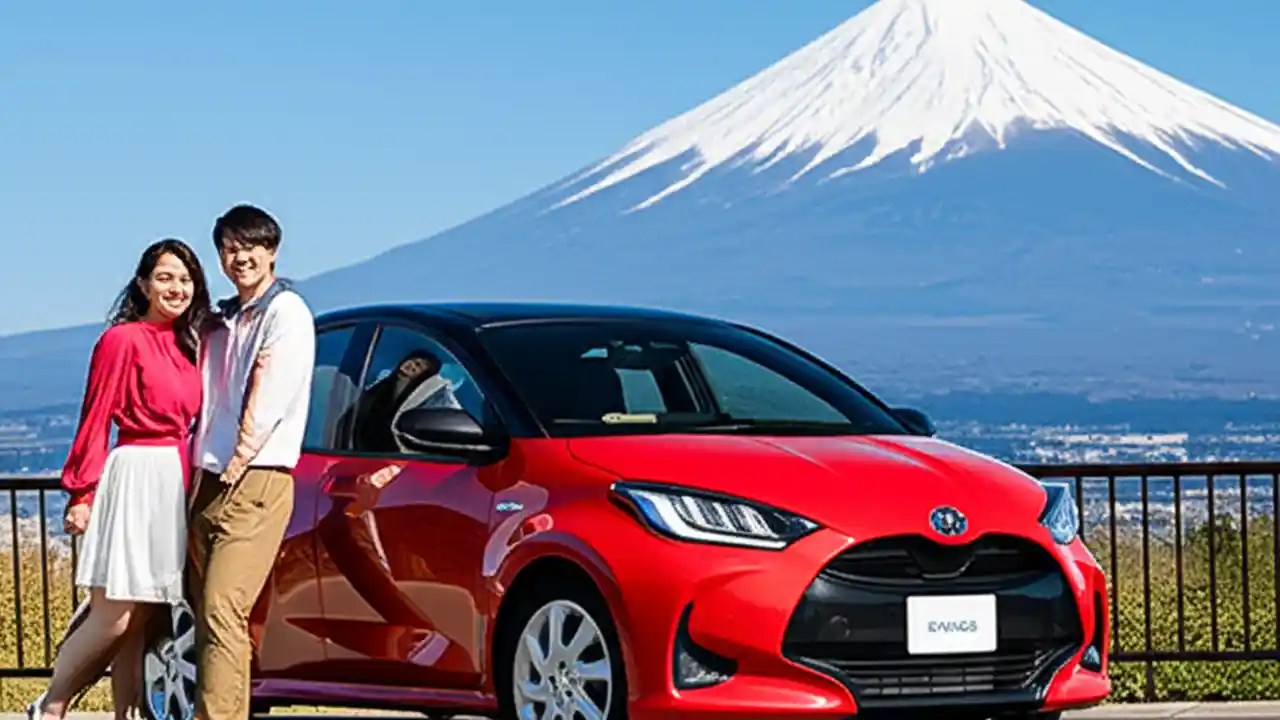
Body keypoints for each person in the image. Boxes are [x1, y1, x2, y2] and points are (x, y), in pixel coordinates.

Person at [28, 239, 210, 720]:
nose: (176, 288)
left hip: (175, 477)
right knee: (116, 614)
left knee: (143, 618)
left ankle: (125, 713)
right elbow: (96, 416)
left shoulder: (190, 344)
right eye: (165, 277)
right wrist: (82, 492)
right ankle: (50, 704)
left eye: (185, 279)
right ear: (144, 284)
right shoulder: (122, 340)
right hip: (136, 475)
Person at [187, 203, 315, 720]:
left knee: (223, 607)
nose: (240, 258)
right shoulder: (222, 320)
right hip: (209, 477)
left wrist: (237, 462)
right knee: (211, 615)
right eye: (230, 248)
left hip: (255, 477)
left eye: (250, 247)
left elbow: (269, 397)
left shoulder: (287, 313)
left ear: (272, 251)